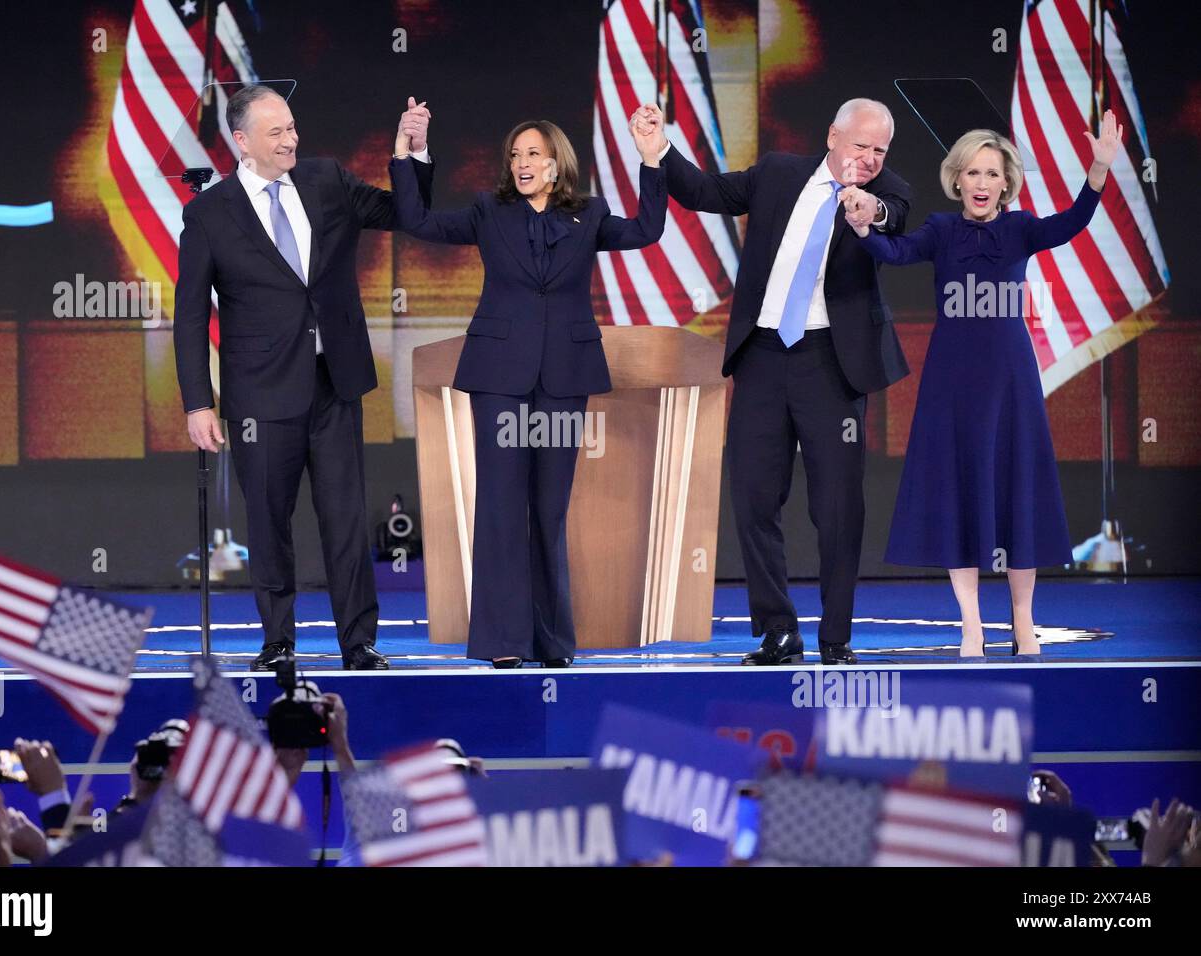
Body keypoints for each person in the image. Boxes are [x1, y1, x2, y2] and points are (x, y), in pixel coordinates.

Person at [633, 99, 911, 665]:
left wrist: (868, 211)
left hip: (830, 363)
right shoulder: (780, 171)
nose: (870, 158)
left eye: (880, 150)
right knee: (754, 497)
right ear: (833, 135)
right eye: (861, 146)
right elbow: (708, 192)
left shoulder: (889, 190)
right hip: (761, 356)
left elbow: (893, 217)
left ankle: (836, 637)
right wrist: (657, 152)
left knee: (837, 506)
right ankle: (778, 630)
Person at [174, 86, 437, 671]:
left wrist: (411, 155)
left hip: (333, 381)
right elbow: (191, 314)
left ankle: (359, 642)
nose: (291, 139)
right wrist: (198, 402)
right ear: (242, 142)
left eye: (292, 127)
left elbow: (404, 213)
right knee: (268, 521)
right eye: (276, 133)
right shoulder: (210, 213)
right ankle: (278, 641)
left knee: (344, 516)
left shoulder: (326, 181)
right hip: (259, 392)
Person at [389, 115, 667, 667]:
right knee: (500, 504)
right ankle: (504, 643)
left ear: (556, 162)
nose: (522, 163)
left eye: (534, 154)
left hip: (564, 380)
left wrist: (653, 160)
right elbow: (417, 220)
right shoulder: (488, 213)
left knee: (548, 506)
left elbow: (647, 231)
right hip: (498, 380)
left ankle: (551, 641)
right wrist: (408, 153)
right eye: (516, 154)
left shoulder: (589, 215)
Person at [843, 112, 1123, 656]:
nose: (981, 183)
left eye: (992, 174)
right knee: (957, 492)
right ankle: (971, 625)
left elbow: (1070, 223)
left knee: (1017, 489)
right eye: (972, 173)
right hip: (952, 382)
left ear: (1006, 183)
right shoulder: (942, 230)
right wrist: (862, 228)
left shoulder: (1020, 229)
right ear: (957, 180)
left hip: (1011, 380)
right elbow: (896, 252)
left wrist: (1099, 170)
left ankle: (1023, 620)